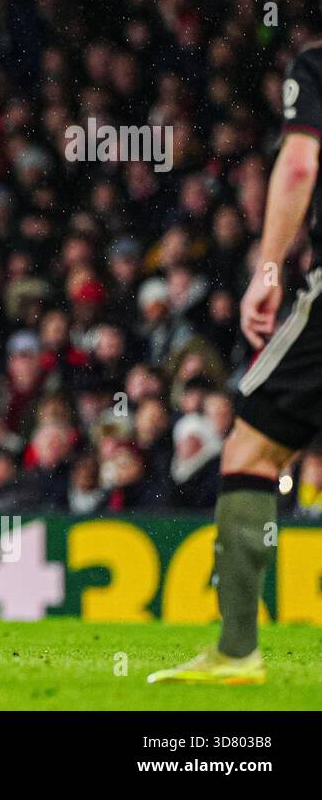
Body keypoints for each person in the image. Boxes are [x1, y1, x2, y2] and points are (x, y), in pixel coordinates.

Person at [149, 43, 322, 686]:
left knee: (249, 453)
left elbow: (300, 167)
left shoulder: (315, 67)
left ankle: (238, 649)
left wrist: (269, 267)